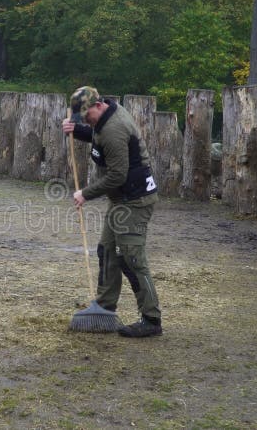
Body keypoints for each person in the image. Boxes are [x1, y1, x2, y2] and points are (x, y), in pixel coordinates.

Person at [63, 86, 163, 337]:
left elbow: (117, 175)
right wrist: (78, 130)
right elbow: (97, 132)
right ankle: (105, 308)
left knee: (132, 258)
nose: (86, 121)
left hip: (135, 200)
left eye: (86, 117)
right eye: (82, 119)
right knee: (107, 250)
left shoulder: (115, 129)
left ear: (98, 106)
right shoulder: (105, 115)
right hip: (121, 200)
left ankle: (151, 320)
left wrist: (85, 194)